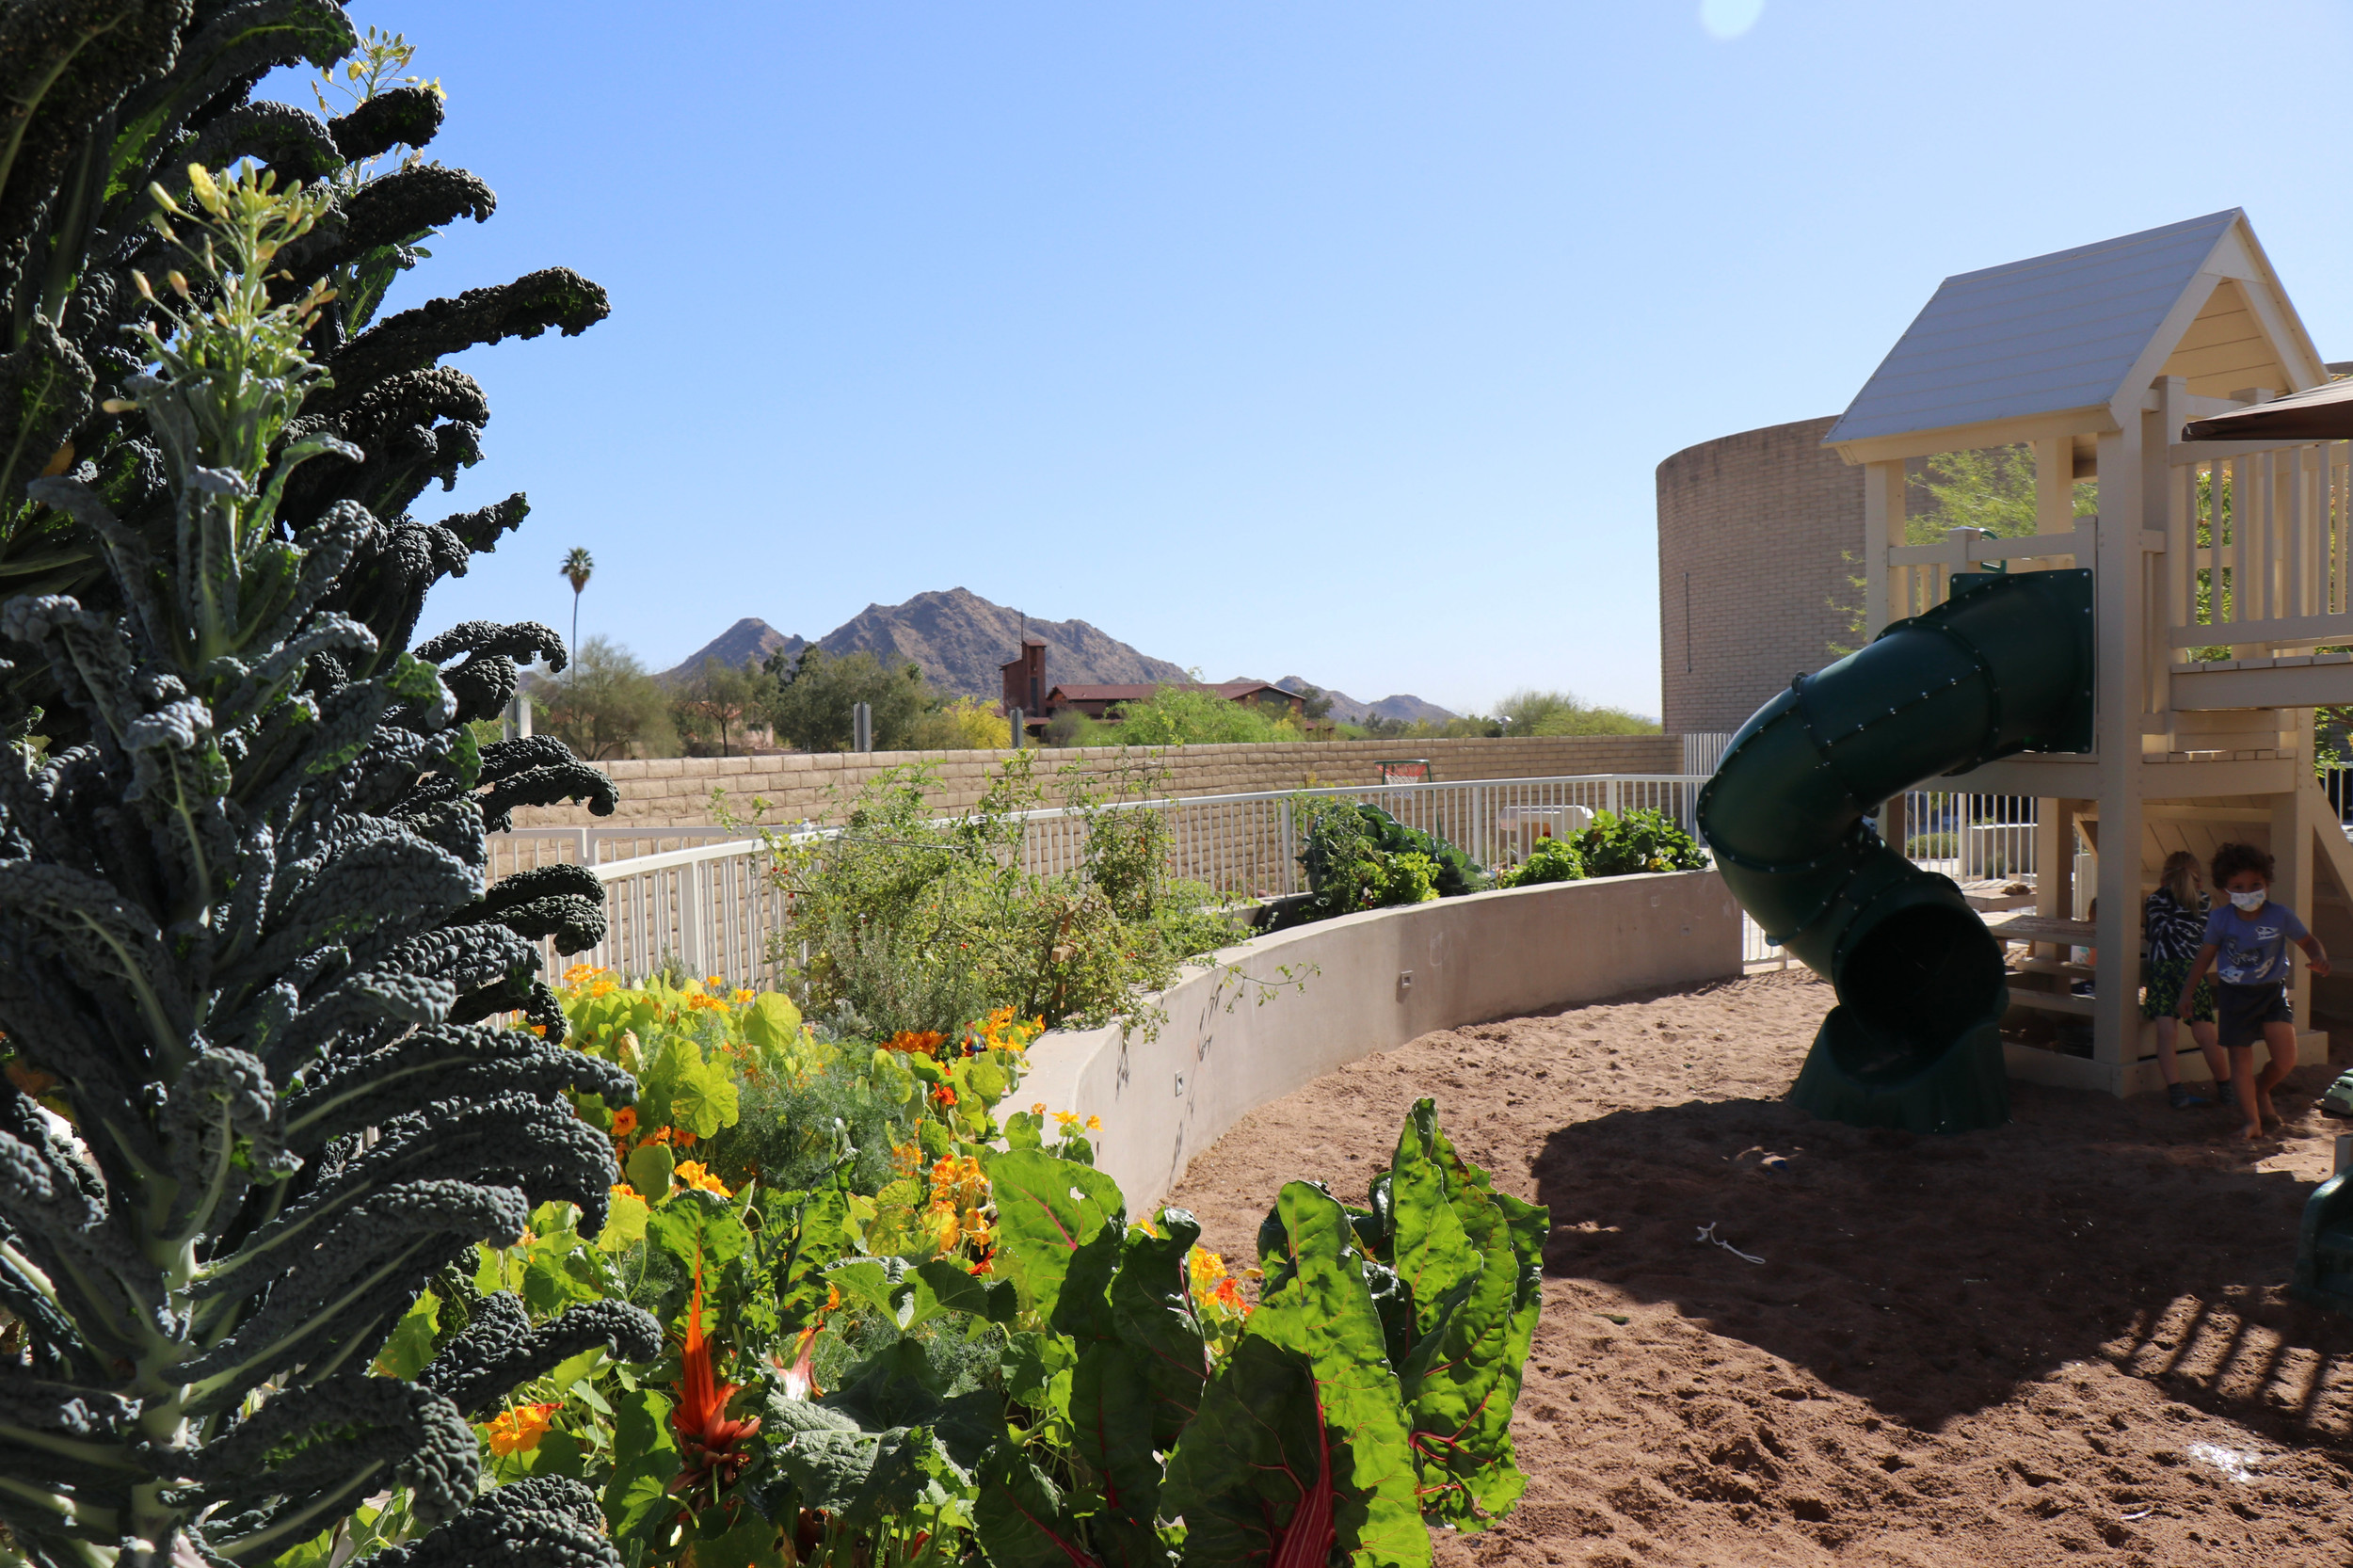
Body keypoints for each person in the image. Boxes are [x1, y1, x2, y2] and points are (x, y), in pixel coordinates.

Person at [2176, 841, 2332, 1140]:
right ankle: (2252, 1121)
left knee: (2286, 1059)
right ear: (2225, 890)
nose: (2248, 892)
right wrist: (2187, 993)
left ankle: (2261, 1090)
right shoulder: (2221, 919)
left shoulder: (2280, 915)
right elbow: (2205, 957)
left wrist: (2319, 957)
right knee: (2240, 1060)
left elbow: (2309, 941)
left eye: (2255, 884)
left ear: (2267, 883)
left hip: (2272, 993)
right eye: (2239, 886)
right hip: (2235, 995)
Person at [2143, 851, 2227, 1108]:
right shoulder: (2202, 900)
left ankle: (2177, 1093)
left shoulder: (2155, 900)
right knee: (2205, 1033)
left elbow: (2153, 933)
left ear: (2163, 878)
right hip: (2191, 971)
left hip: (2160, 969)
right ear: (2198, 880)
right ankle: (2227, 1088)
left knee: (2166, 1033)